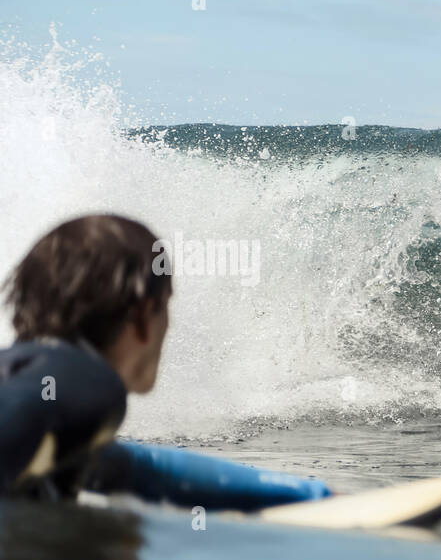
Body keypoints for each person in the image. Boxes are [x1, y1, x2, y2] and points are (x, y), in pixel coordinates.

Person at [0, 214, 326, 507]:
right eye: (167, 305)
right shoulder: (88, 384)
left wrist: (315, 495)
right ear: (145, 312)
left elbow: (144, 471)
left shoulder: (56, 411)